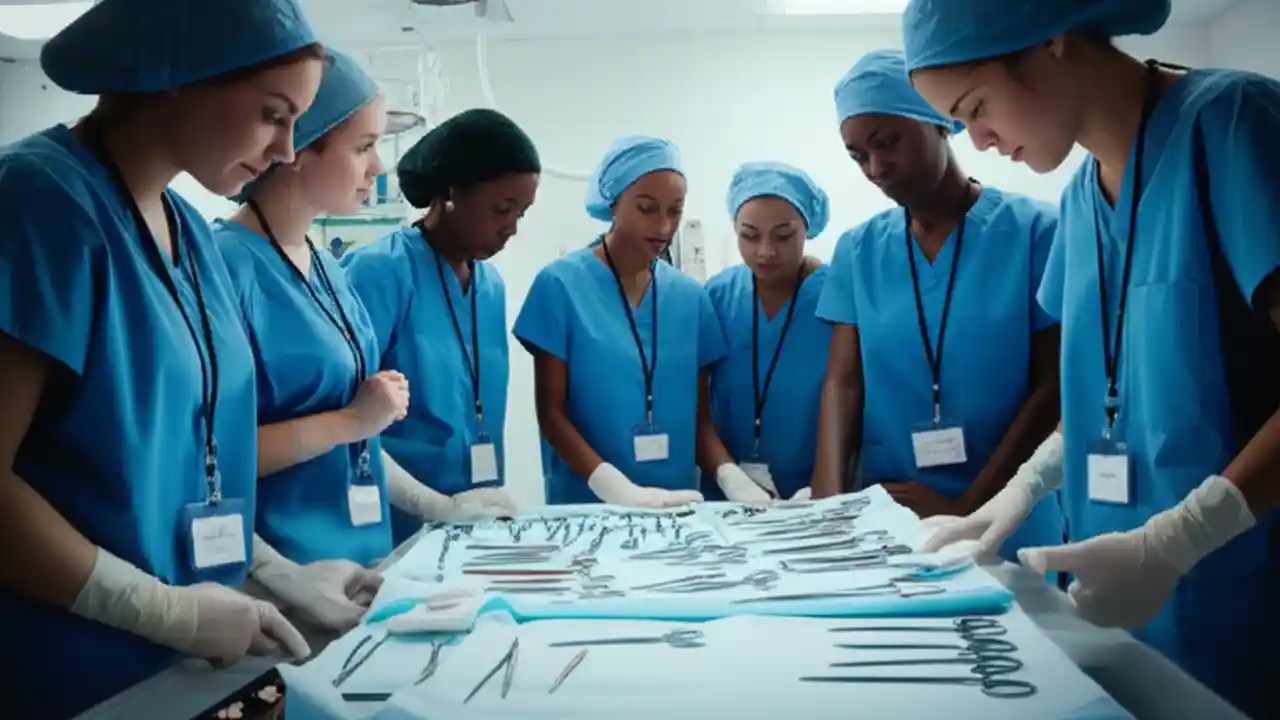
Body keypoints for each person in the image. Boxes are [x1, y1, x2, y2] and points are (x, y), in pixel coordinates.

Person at [903, 1, 1280, 715]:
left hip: (1244, 614)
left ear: (1049, 38)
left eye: (977, 107)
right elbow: (1105, 395)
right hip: (1120, 622)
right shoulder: (1081, 199)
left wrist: (1179, 540)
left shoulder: (1233, 125)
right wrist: (1019, 492)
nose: (978, 141)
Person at [0, 1, 321, 715]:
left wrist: (276, 574)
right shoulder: (37, 201)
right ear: (180, 73)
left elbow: (188, 459)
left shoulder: (191, 233)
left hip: (193, 669)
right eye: (273, 114)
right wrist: (164, 612)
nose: (287, 150)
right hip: (71, 669)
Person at [810, 49, 1063, 564]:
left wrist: (968, 508)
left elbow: (1055, 385)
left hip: (1009, 516)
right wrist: (829, 509)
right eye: (858, 156)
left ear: (939, 121)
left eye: (887, 143)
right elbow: (843, 383)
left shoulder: (1036, 232)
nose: (876, 168)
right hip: (893, 515)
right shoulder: (859, 250)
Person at [212, 50, 395, 632]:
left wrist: (441, 507)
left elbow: (360, 429)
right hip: (277, 591)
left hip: (363, 567)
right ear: (298, 146)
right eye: (364, 147)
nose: (378, 167)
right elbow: (209, 458)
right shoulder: (223, 267)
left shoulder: (324, 263)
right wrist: (350, 422)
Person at [342, 108, 533, 543]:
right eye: (502, 209)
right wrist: (432, 505)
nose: (511, 228)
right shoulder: (378, 273)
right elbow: (344, 420)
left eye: (521, 213)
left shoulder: (490, 286)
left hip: (475, 521)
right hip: (393, 522)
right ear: (451, 192)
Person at [514, 136, 724, 507]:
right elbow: (551, 413)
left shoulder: (691, 298)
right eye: (647, 208)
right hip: (588, 506)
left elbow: (701, 419)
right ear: (613, 202)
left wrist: (730, 475)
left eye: (675, 211)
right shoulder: (561, 286)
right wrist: (616, 489)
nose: (664, 226)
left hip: (676, 504)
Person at [702, 161, 832, 504]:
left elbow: (856, 402)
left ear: (807, 228)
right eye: (749, 235)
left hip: (817, 495)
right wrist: (728, 477)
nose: (766, 251)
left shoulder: (836, 298)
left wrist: (825, 484)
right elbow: (695, 407)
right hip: (727, 499)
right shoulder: (717, 297)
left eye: (783, 235)